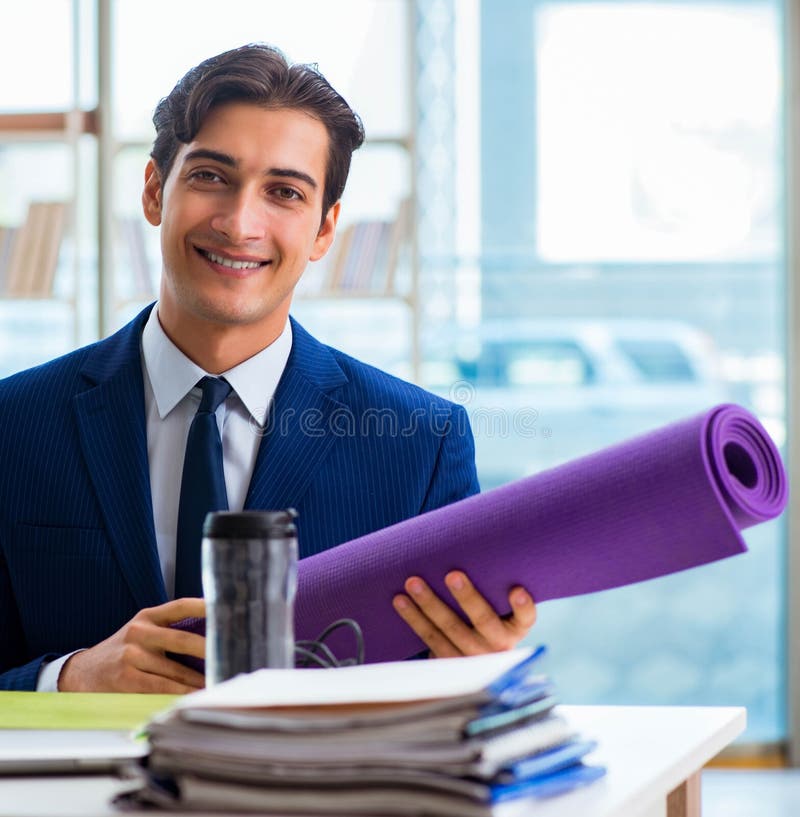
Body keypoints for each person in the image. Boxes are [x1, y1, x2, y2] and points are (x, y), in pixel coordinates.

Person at [0, 44, 536, 693]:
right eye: (210, 177)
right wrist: (67, 679)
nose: (239, 223)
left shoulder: (422, 446)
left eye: (284, 192)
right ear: (154, 191)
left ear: (324, 230)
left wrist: (476, 669)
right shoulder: (14, 425)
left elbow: (453, 700)